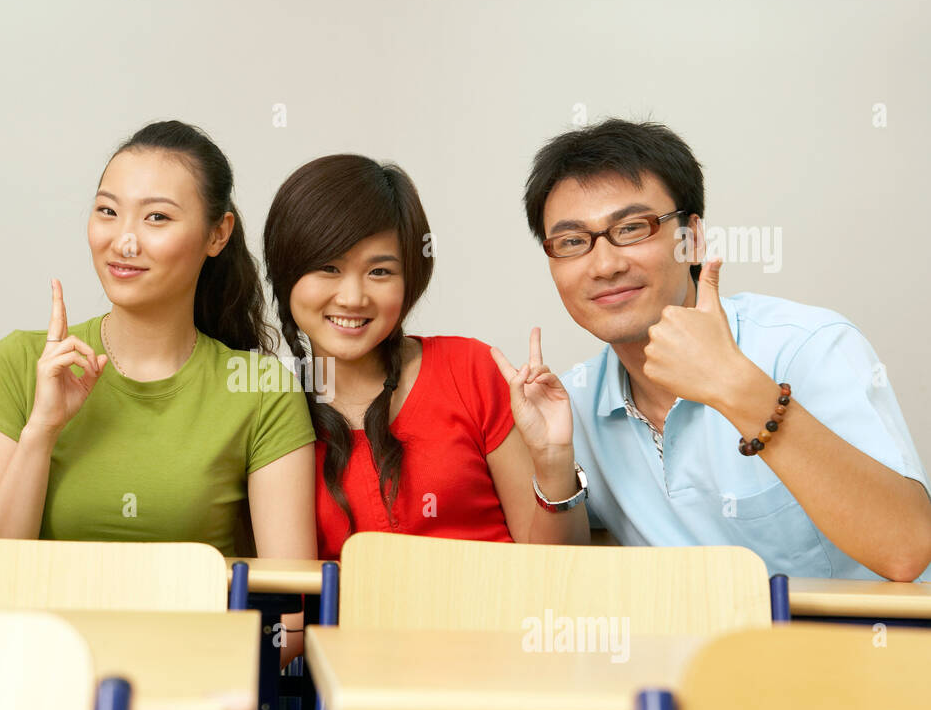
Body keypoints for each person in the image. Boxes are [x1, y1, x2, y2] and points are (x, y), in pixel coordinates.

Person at [524, 118, 931, 581]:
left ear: (692, 238)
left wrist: (735, 386)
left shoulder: (806, 346)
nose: (605, 264)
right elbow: (555, 590)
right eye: (573, 241)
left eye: (633, 228)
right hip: (704, 653)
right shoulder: (574, 405)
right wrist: (554, 466)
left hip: (865, 646)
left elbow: (908, 549)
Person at [0, 119, 315, 563]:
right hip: (51, 635)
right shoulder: (22, 361)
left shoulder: (262, 388)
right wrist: (41, 431)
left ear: (217, 234)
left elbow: (290, 604)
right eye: (107, 211)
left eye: (157, 217)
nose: (123, 241)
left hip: (197, 635)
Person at [263, 154, 589, 561]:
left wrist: (554, 463)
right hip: (347, 627)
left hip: (491, 621)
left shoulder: (470, 369)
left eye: (380, 272)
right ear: (285, 271)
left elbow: (557, 566)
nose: (352, 298)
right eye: (328, 268)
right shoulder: (270, 411)